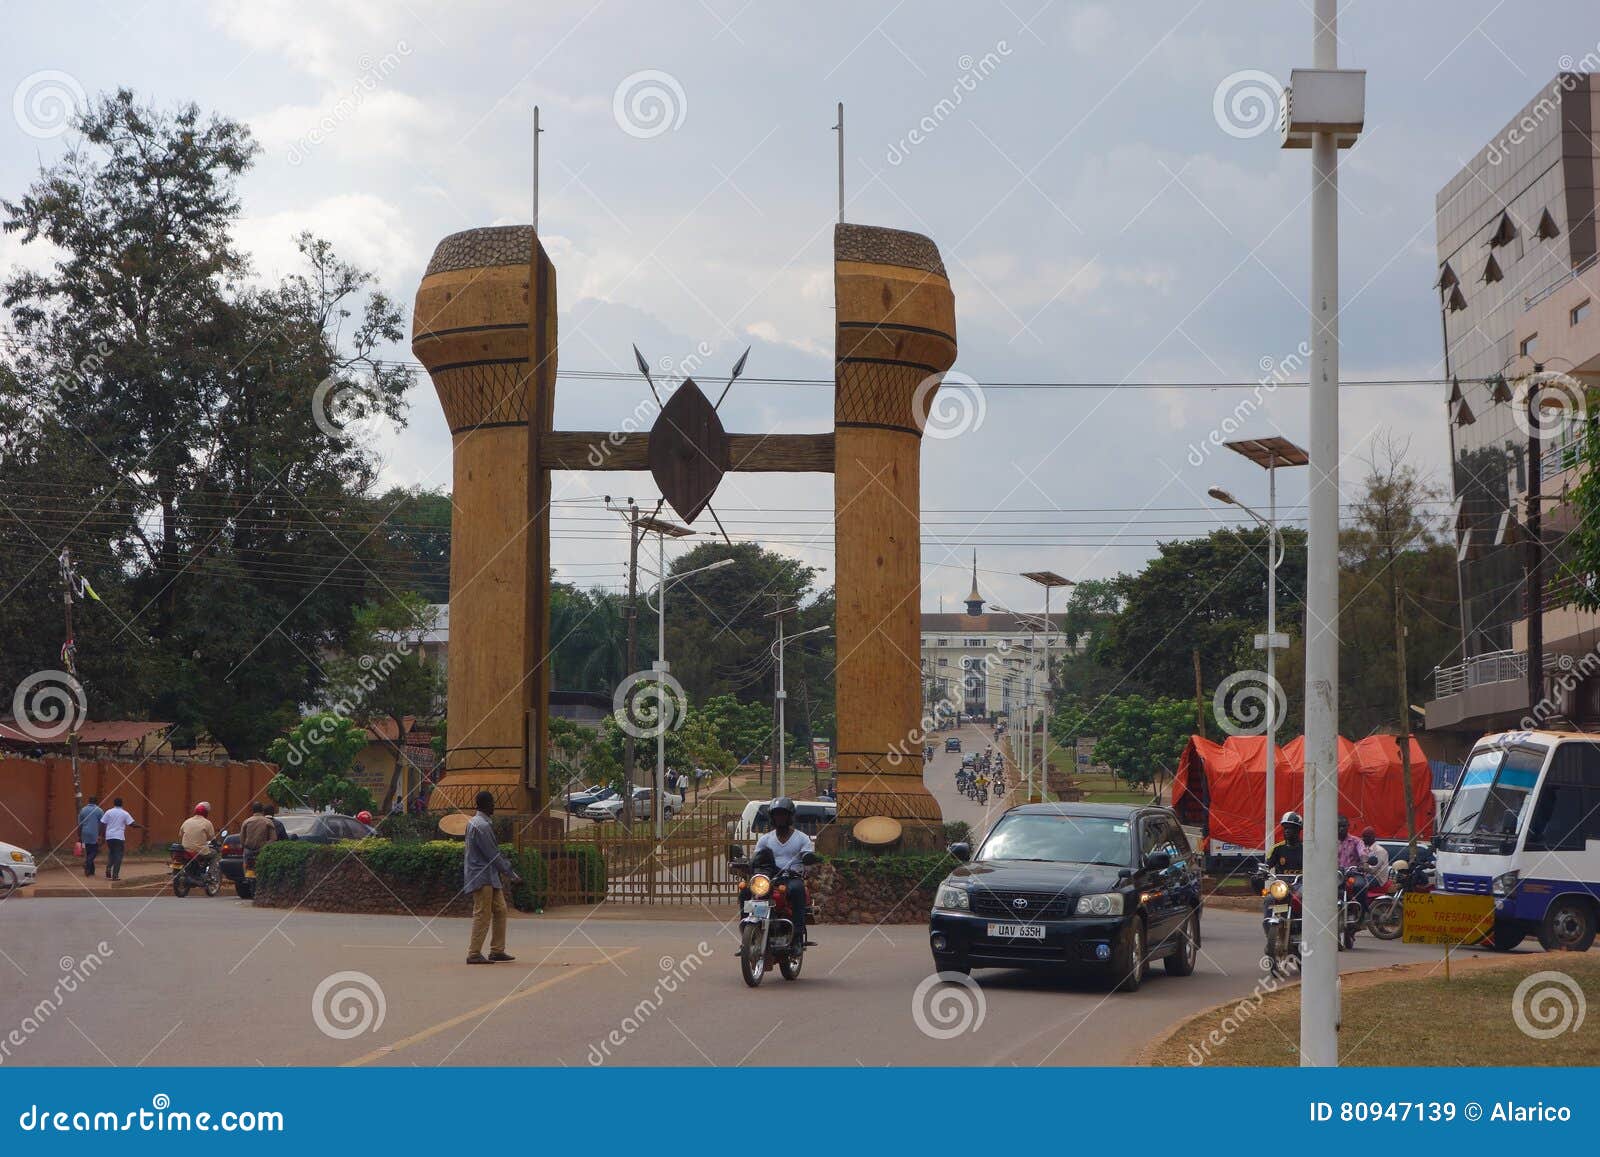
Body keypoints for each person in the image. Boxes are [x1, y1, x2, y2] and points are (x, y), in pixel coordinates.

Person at [464, 790, 520, 965]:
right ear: (485, 805)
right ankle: (474, 953)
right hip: (482, 876)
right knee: (482, 914)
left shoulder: (475, 822)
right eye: (492, 803)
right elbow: (493, 855)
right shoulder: (482, 826)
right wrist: (511, 874)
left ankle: (497, 950)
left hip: (488, 876)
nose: (494, 806)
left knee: (501, 910)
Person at [751, 797, 815, 946]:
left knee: (798, 889)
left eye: (783, 814)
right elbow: (756, 857)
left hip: (791, 877)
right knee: (746, 892)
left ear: (790, 816)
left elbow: (807, 853)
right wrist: (745, 863)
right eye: (776, 814)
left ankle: (797, 936)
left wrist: (808, 857)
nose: (780, 817)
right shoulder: (765, 839)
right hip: (769, 878)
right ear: (772, 817)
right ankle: (749, 933)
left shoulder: (802, 838)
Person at [100, 798, 137, 881]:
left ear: (114, 803)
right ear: (122, 804)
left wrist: (102, 836)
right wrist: (141, 826)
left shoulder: (108, 812)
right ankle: (115, 875)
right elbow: (132, 824)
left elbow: (102, 823)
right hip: (119, 837)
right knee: (118, 856)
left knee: (112, 853)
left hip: (109, 837)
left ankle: (109, 867)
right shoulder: (125, 813)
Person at [240, 801, 278, 871]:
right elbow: (274, 838)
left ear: (252, 810)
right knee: (264, 870)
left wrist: (246, 846)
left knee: (247, 868)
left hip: (249, 851)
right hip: (262, 851)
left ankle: (247, 875)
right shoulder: (268, 822)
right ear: (262, 810)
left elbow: (242, 839)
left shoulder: (246, 822)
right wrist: (265, 846)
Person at [77, 795, 104, 878]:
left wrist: (79, 836)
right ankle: (87, 863)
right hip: (94, 833)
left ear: (88, 801)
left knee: (88, 850)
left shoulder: (83, 810)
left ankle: (91, 871)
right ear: (96, 802)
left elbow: (79, 824)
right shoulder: (99, 810)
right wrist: (100, 835)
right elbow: (102, 824)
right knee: (95, 851)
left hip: (84, 833)